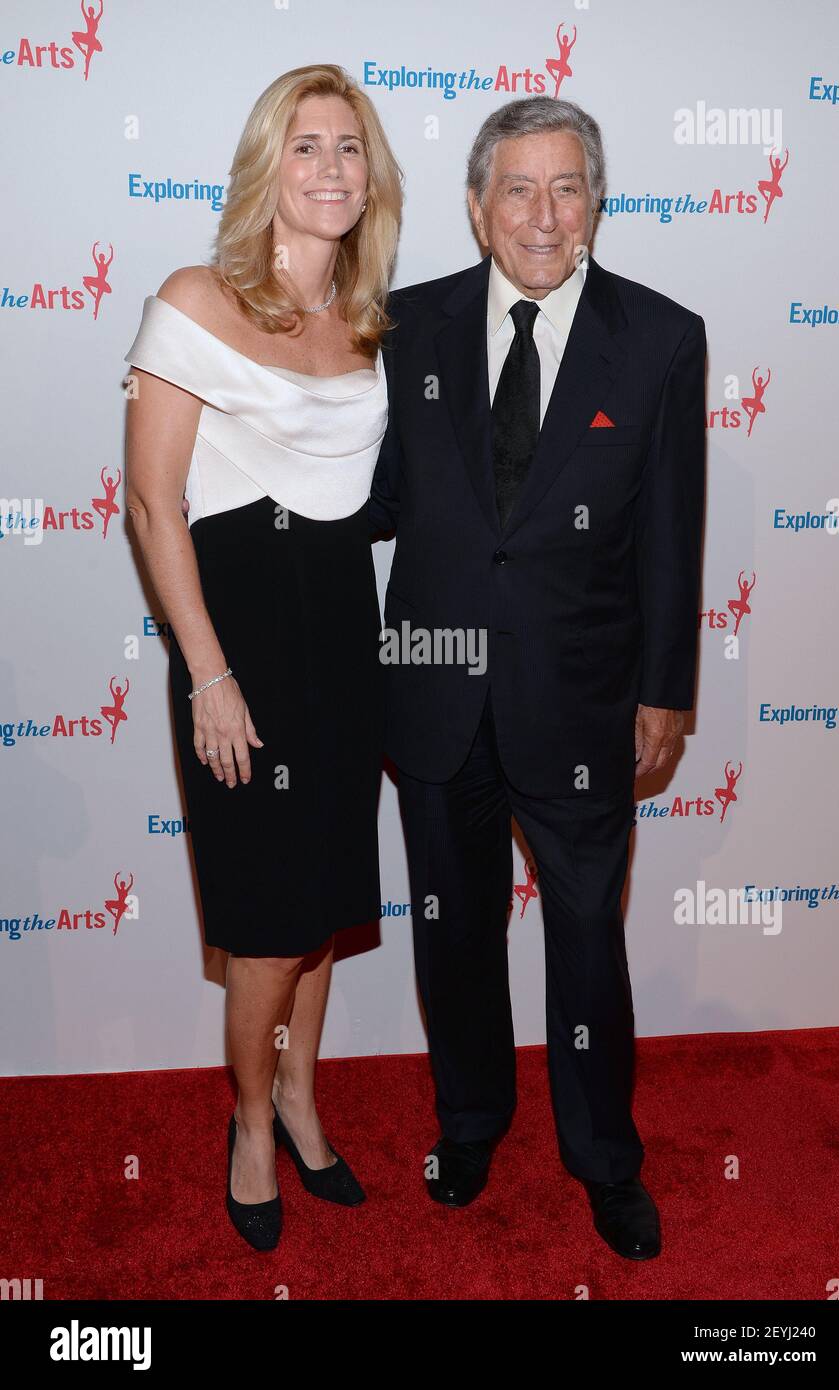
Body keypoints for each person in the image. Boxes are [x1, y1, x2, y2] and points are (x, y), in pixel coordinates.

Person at [370, 96, 706, 1261]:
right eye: (518, 188)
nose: (542, 213)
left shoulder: (659, 338)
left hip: (581, 701)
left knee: (582, 939)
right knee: (452, 932)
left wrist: (666, 692)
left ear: (597, 208)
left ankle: (603, 1158)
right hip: (434, 687)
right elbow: (359, 498)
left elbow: (671, 533)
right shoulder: (402, 327)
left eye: (567, 188)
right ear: (475, 208)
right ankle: (469, 1126)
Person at [124, 65, 402, 1251]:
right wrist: (210, 674)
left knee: (327, 909)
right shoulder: (196, 297)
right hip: (239, 652)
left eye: (348, 148)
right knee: (267, 924)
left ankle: (299, 1097)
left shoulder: (376, 318)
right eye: (305, 147)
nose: (330, 168)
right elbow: (150, 503)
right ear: (265, 168)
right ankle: (247, 1121)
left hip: (344, 638)